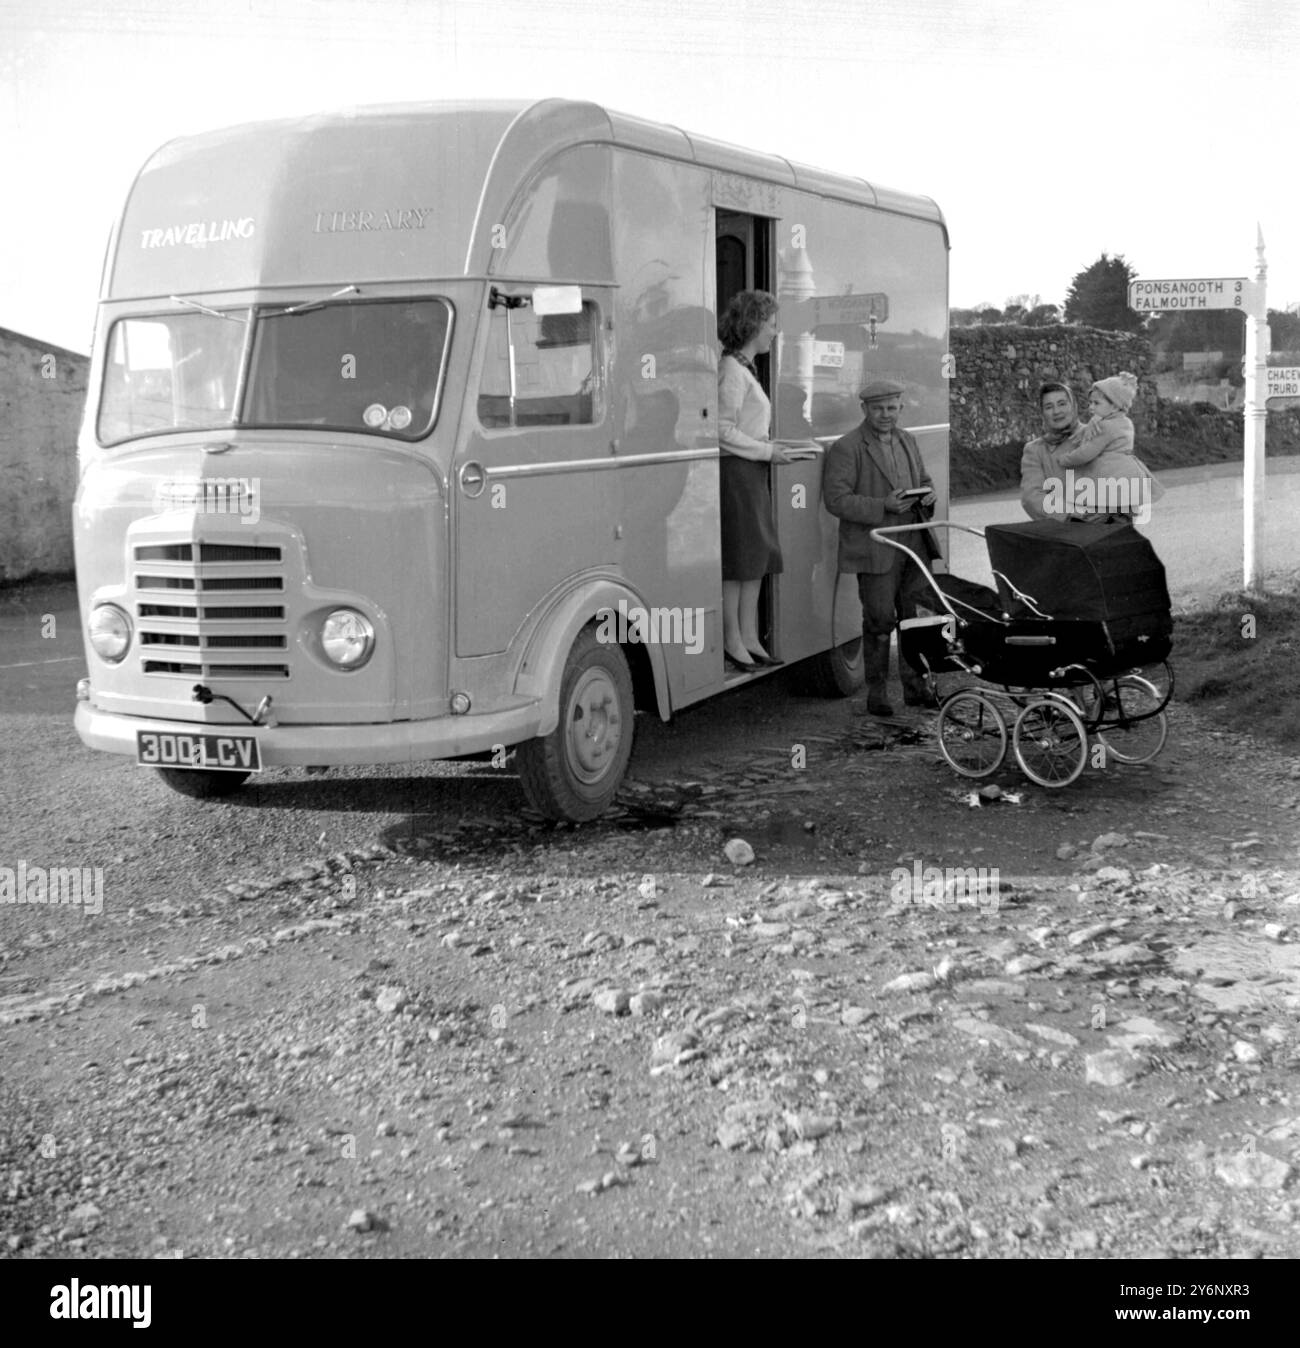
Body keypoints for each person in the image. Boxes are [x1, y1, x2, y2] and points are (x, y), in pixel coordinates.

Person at [823, 378, 939, 716]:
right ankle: (878, 695)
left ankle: (916, 689)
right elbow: (836, 500)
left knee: (916, 620)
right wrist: (882, 505)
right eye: (878, 409)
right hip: (876, 546)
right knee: (877, 621)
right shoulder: (848, 447)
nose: (886, 415)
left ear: (901, 408)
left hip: (914, 543)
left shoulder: (908, 440)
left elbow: (925, 481)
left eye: (892, 408)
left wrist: (928, 494)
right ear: (864, 410)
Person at [717, 291, 790, 671]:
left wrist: (771, 448)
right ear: (755, 325)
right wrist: (766, 452)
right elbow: (721, 430)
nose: (775, 332)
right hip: (737, 473)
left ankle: (748, 636)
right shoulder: (731, 370)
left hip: (750, 471)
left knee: (756, 557)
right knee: (739, 561)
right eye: (772, 324)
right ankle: (732, 639)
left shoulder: (742, 369)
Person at [1021, 378, 1162, 523]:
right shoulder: (1035, 450)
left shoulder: (1097, 432)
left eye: (1062, 404)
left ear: (1073, 406)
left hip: (1109, 522)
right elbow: (1032, 497)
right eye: (1049, 407)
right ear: (1042, 413)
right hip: (1064, 529)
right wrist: (1074, 514)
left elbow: (1120, 469)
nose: (1057, 411)